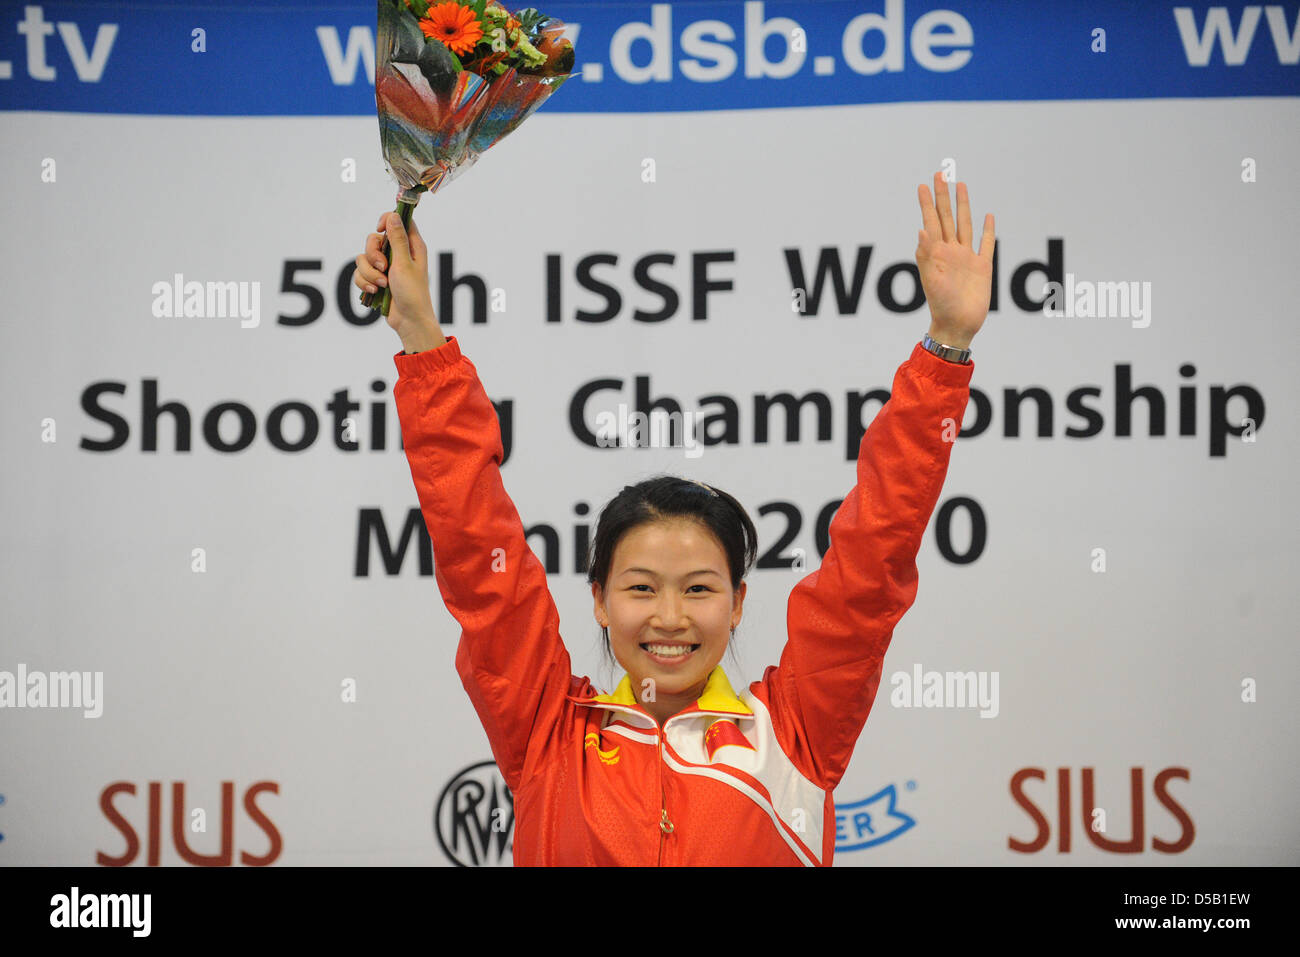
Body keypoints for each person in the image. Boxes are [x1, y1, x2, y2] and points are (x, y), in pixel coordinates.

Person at [354, 171, 995, 865]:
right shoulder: (545, 735)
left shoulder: (795, 733)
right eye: (640, 587)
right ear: (597, 599)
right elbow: (479, 551)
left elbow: (875, 553)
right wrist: (420, 333)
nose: (669, 616)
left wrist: (947, 344)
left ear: (739, 601)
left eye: (697, 587)